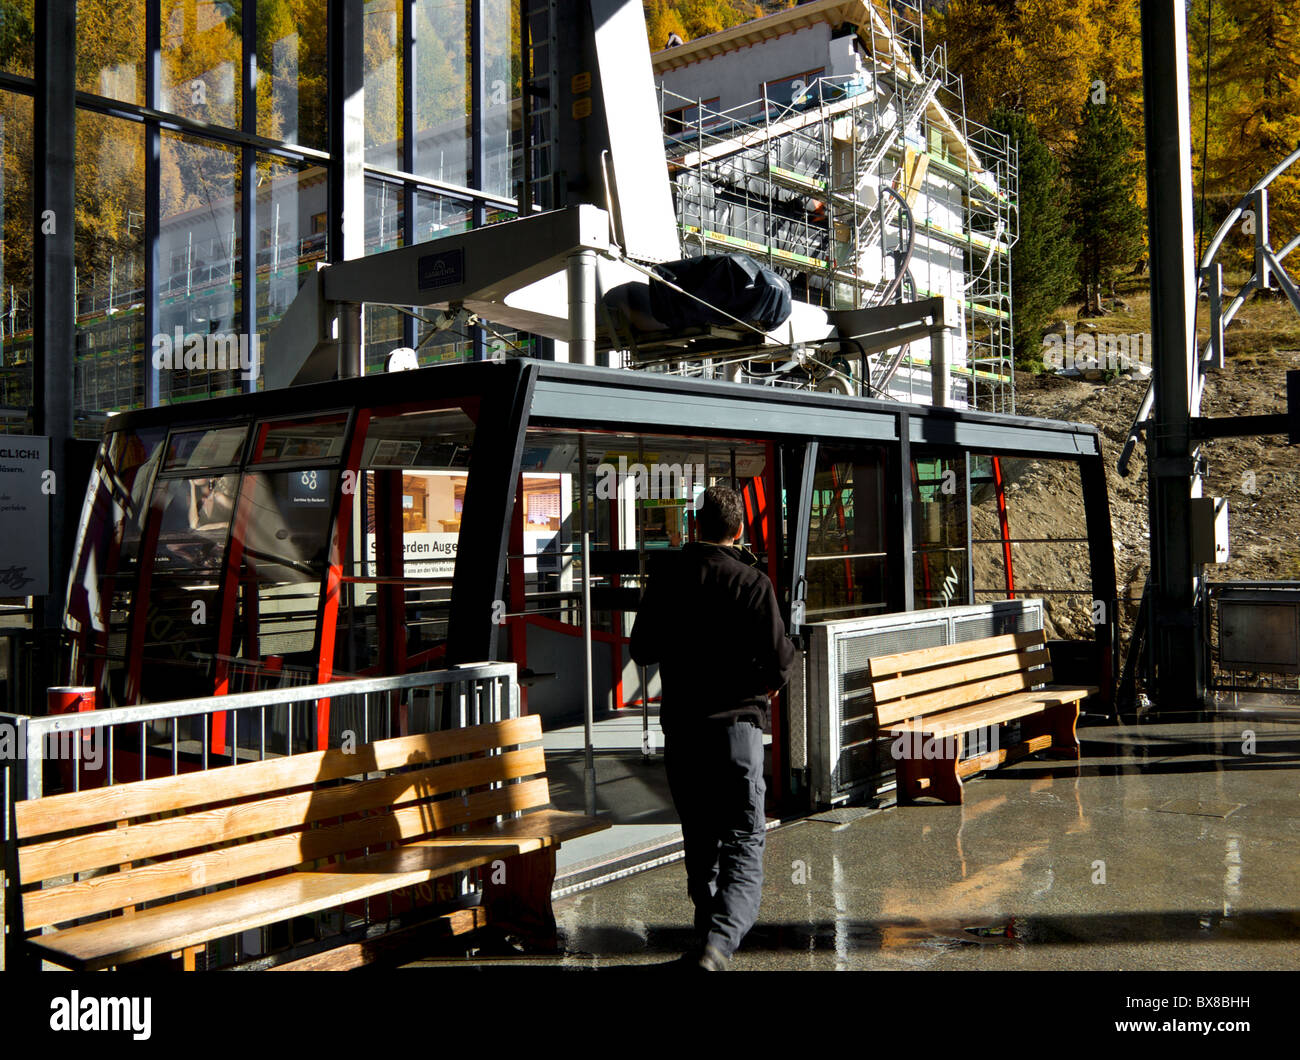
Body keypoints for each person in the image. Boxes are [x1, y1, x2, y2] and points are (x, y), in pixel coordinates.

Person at [630, 483, 796, 970]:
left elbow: (642, 651)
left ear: (694, 527)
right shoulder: (752, 583)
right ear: (740, 528)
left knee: (699, 838)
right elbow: (779, 662)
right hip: (736, 733)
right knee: (743, 837)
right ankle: (719, 944)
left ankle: (705, 941)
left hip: (683, 731)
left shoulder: (667, 578)